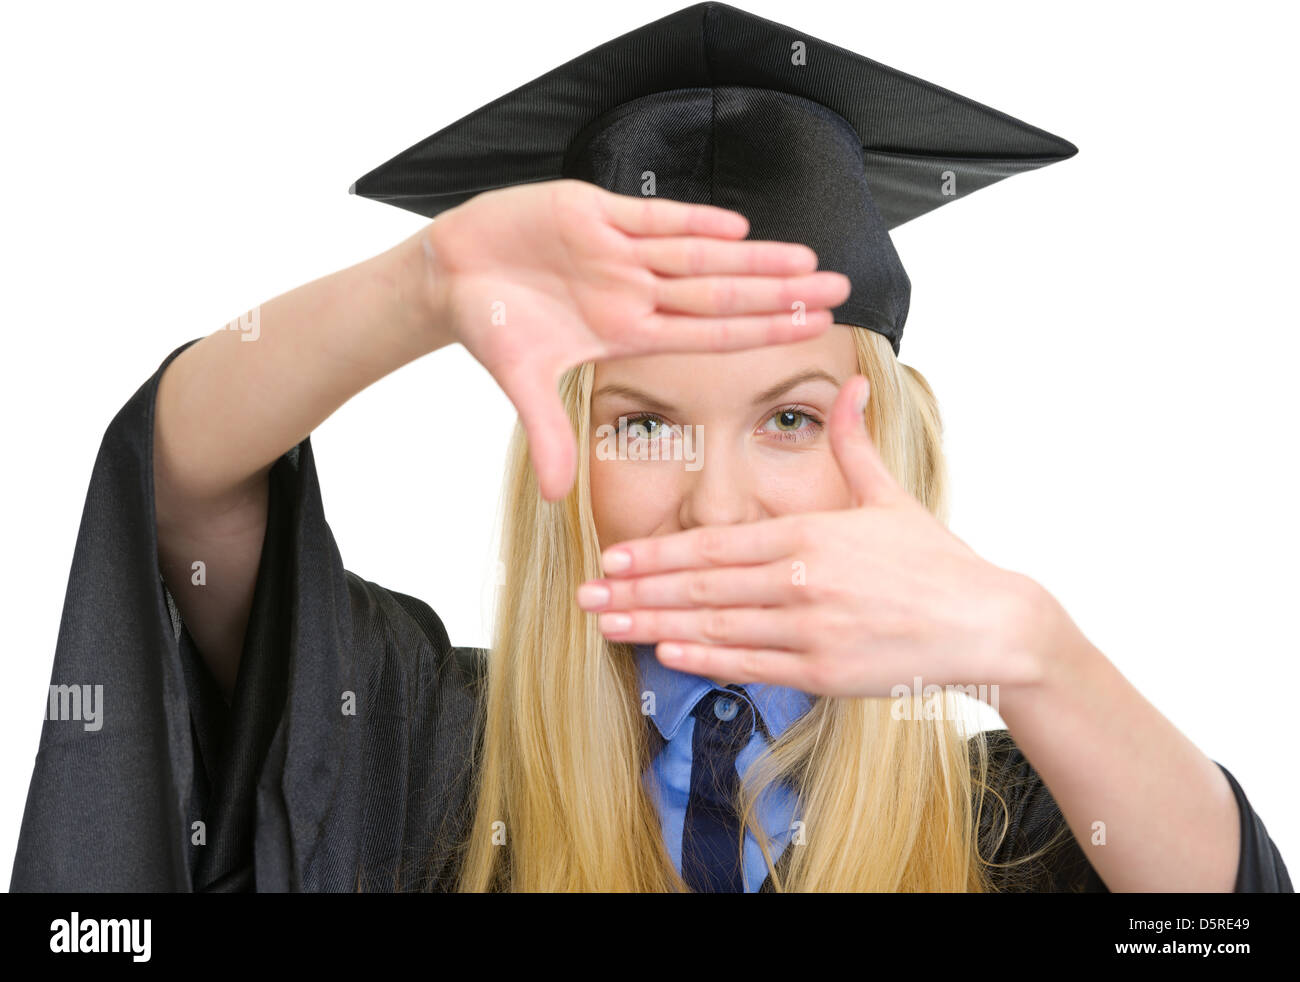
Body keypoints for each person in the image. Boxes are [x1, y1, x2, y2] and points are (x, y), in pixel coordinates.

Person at [11, 2, 1292, 893]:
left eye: (791, 418)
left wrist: (1033, 649)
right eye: (642, 420)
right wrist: (421, 282)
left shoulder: (1020, 824)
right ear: (559, 440)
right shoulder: (428, 754)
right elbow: (176, 494)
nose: (717, 508)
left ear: (895, 450)